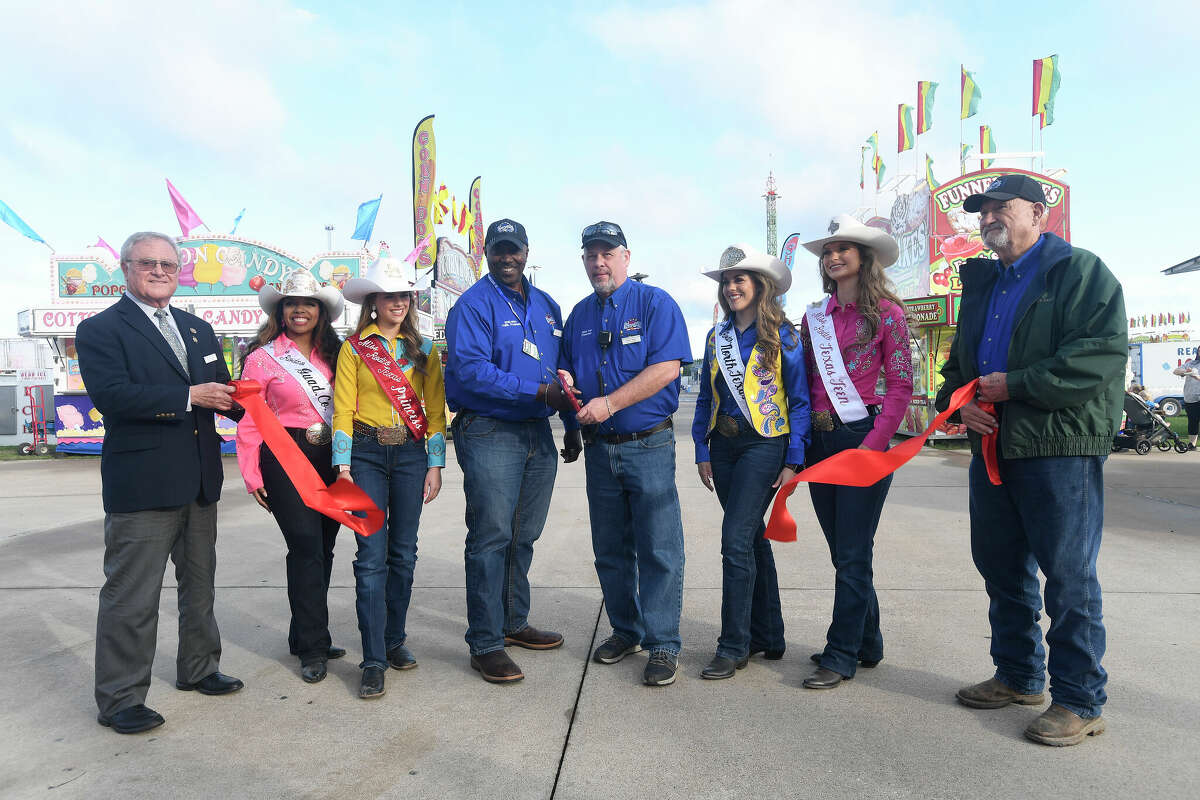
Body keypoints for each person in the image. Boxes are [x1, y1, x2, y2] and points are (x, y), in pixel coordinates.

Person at [935, 173, 1126, 746]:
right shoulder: (983, 282)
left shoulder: (1080, 272)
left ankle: (1080, 699)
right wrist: (958, 406)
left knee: (1068, 577)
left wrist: (1011, 385)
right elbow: (958, 374)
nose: (988, 216)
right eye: (982, 210)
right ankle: (1019, 675)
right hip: (991, 444)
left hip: (1057, 448)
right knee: (999, 566)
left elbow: (1097, 357)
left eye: (1001, 207)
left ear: (1039, 214)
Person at [77, 231, 245, 735]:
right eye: (148, 263)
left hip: (199, 481)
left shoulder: (198, 328)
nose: (159, 272)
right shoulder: (101, 329)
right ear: (125, 268)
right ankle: (121, 697)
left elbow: (223, 394)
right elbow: (113, 396)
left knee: (200, 588)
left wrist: (264, 400)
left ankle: (199, 668)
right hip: (143, 485)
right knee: (132, 596)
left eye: (168, 265)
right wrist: (189, 395)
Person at [445, 219, 578, 684]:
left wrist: (570, 423)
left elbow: (561, 373)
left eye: (514, 250)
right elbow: (472, 372)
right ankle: (485, 642)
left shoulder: (547, 306)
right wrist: (541, 394)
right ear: (487, 252)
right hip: (488, 430)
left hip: (536, 434)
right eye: (498, 250)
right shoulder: (472, 306)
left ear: (526, 251)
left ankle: (513, 622)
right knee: (491, 535)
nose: (507, 257)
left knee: (524, 533)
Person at [559, 221, 692, 687]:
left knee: (659, 547)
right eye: (591, 255)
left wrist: (610, 403)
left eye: (607, 253)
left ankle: (662, 644)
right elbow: (566, 367)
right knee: (610, 549)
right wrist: (567, 381)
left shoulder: (656, 304)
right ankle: (626, 630)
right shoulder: (578, 315)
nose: (599, 262)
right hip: (600, 452)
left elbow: (667, 368)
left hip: (648, 445)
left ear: (626, 257)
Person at [798, 215, 913, 690]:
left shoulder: (889, 314)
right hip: (820, 443)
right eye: (828, 251)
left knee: (851, 552)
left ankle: (841, 652)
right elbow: (803, 384)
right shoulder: (814, 318)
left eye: (844, 248)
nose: (833, 256)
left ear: (864, 257)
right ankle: (868, 641)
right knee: (843, 552)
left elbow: (902, 386)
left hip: (860, 437)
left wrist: (872, 447)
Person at [691, 244, 810, 680]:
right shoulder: (714, 338)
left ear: (760, 286)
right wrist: (702, 449)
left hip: (764, 446)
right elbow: (705, 398)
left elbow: (799, 402)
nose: (732, 286)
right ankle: (769, 634)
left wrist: (794, 458)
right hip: (723, 449)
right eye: (727, 281)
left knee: (734, 540)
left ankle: (733, 645)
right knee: (753, 540)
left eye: (740, 279)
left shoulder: (783, 335)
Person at [334, 251, 447, 699]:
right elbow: (342, 407)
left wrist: (436, 463)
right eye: (390, 296)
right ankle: (373, 658)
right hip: (363, 454)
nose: (398, 302)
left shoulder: (425, 350)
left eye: (404, 295)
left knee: (403, 554)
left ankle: (394, 639)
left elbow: (436, 409)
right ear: (374, 301)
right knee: (370, 556)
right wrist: (342, 465)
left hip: (412, 455)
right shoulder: (354, 348)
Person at [235, 270, 347, 684]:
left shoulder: (338, 355)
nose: (300, 309)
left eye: (309, 303)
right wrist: (251, 473)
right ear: (281, 311)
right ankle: (314, 648)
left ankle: (305, 634)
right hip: (285, 458)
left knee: (325, 547)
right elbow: (249, 420)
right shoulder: (262, 357)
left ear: (321, 311)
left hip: (333, 458)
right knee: (305, 547)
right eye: (292, 303)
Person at [1173, 352, 1200, 450]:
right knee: (1193, 421)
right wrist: (1185, 371)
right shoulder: (1191, 364)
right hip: (1191, 397)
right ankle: (1192, 444)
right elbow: (1175, 371)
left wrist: (1197, 377)